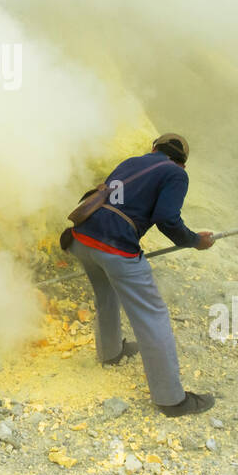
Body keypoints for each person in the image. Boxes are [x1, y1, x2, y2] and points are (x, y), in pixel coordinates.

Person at [67, 133, 216, 416]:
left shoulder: (131, 161)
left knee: (106, 295)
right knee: (153, 315)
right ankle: (172, 400)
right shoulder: (176, 175)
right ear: (182, 162)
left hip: (81, 238)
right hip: (115, 247)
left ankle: (110, 354)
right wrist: (196, 241)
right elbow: (167, 219)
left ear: (153, 149)